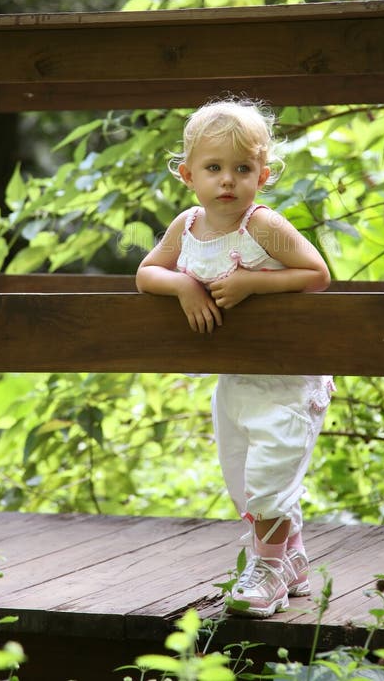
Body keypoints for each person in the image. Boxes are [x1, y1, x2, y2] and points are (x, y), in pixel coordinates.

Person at [136, 98, 334, 618]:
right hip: (237, 382)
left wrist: (252, 280)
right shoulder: (188, 226)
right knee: (245, 479)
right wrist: (183, 285)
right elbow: (145, 274)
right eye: (214, 168)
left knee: (270, 478)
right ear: (188, 174)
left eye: (242, 169)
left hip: (287, 379)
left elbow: (316, 274)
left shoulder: (262, 225)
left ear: (262, 175)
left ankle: (265, 569)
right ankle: (289, 558)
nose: (228, 180)